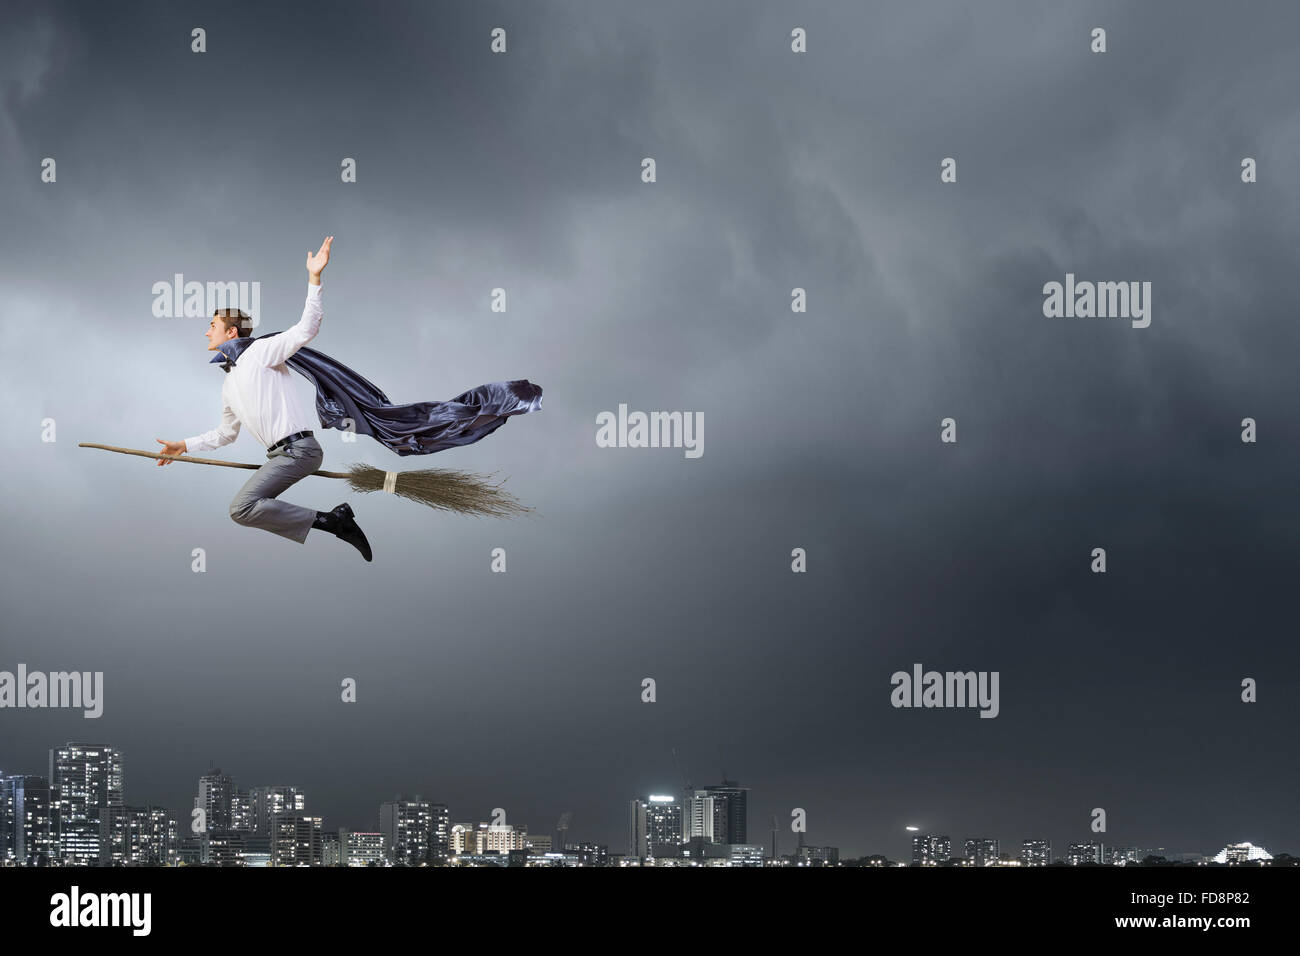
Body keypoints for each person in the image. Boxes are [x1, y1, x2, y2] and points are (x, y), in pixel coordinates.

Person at [154, 236, 372, 561]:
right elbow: (226, 434)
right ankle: (334, 520)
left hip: (300, 451)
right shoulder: (230, 382)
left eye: (212, 325)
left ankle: (334, 522)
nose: (206, 331)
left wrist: (315, 278)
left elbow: (306, 328)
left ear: (231, 333)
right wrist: (183, 445)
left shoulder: (260, 351)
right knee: (242, 509)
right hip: (280, 455)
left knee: (240, 508)